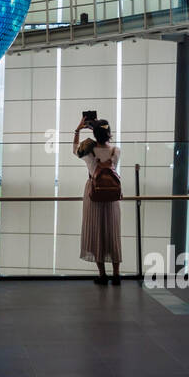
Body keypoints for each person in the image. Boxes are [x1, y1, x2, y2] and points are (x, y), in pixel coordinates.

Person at [74, 115, 122, 284]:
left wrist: (78, 129)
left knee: (97, 232)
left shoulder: (89, 152)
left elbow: (75, 150)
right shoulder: (116, 151)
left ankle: (103, 275)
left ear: (94, 134)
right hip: (112, 197)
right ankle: (116, 275)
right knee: (112, 233)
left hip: (93, 194)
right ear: (109, 133)